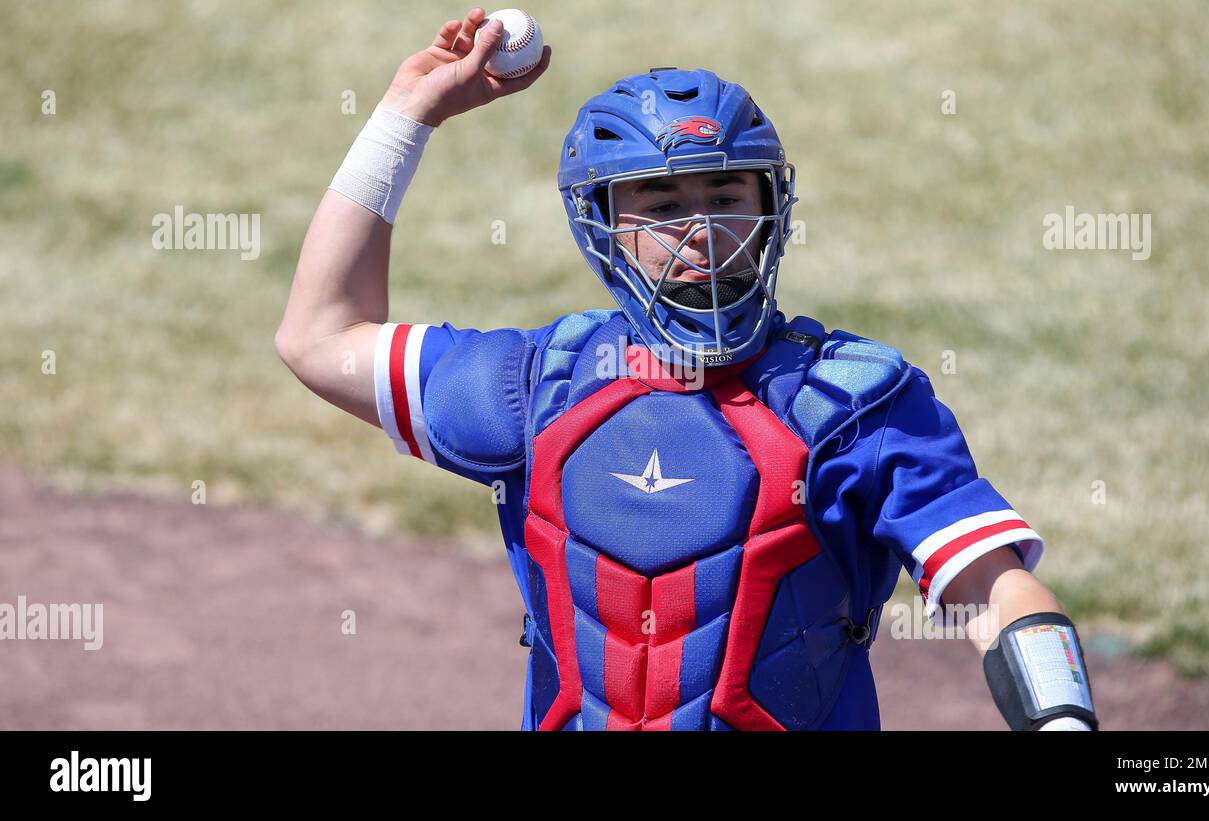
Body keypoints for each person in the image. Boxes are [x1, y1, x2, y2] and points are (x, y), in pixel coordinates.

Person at [276, 7, 1099, 731]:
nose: (702, 230)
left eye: (727, 196)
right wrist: (407, 114)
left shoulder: (856, 403)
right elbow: (319, 336)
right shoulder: (538, 386)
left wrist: (1061, 718)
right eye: (665, 207)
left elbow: (995, 590)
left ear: (771, 209)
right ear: (603, 226)